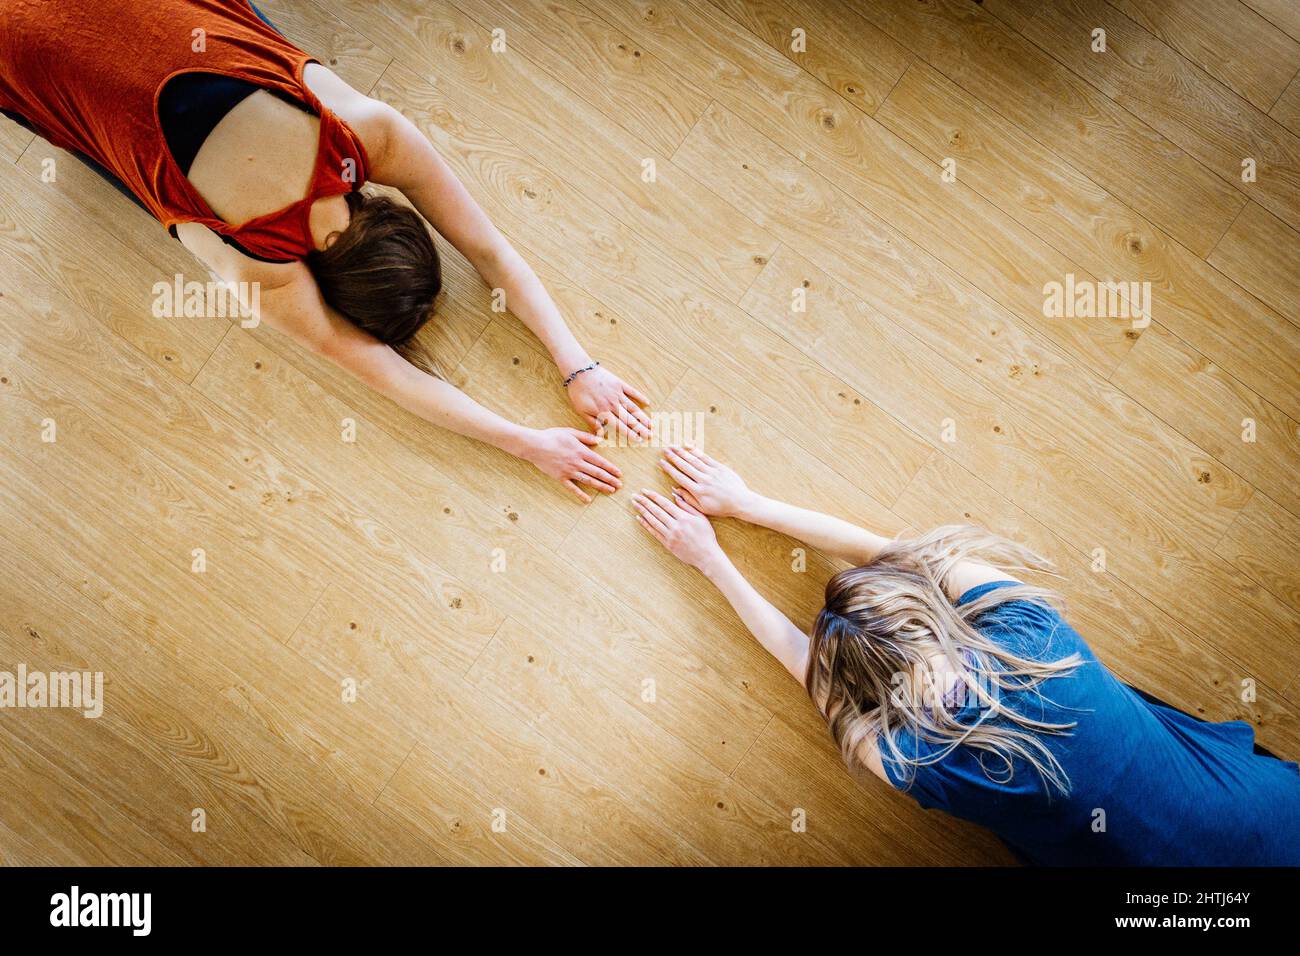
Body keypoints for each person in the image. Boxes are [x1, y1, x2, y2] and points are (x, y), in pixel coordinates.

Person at [0, 0, 650, 502]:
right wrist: (526, 445)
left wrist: (579, 365)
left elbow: (489, 249)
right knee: (134, 166)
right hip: (17, 41)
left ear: (387, 208)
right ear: (323, 285)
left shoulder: (367, 131)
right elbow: (382, 370)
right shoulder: (257, 266)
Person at [632, 446, 1300, 865]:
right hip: (1274, 816)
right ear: (930, 615)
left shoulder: (925, 765)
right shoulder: (1035, 635)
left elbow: (806, 670)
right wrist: (752, 506)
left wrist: (712, 562)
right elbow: (894, 553)